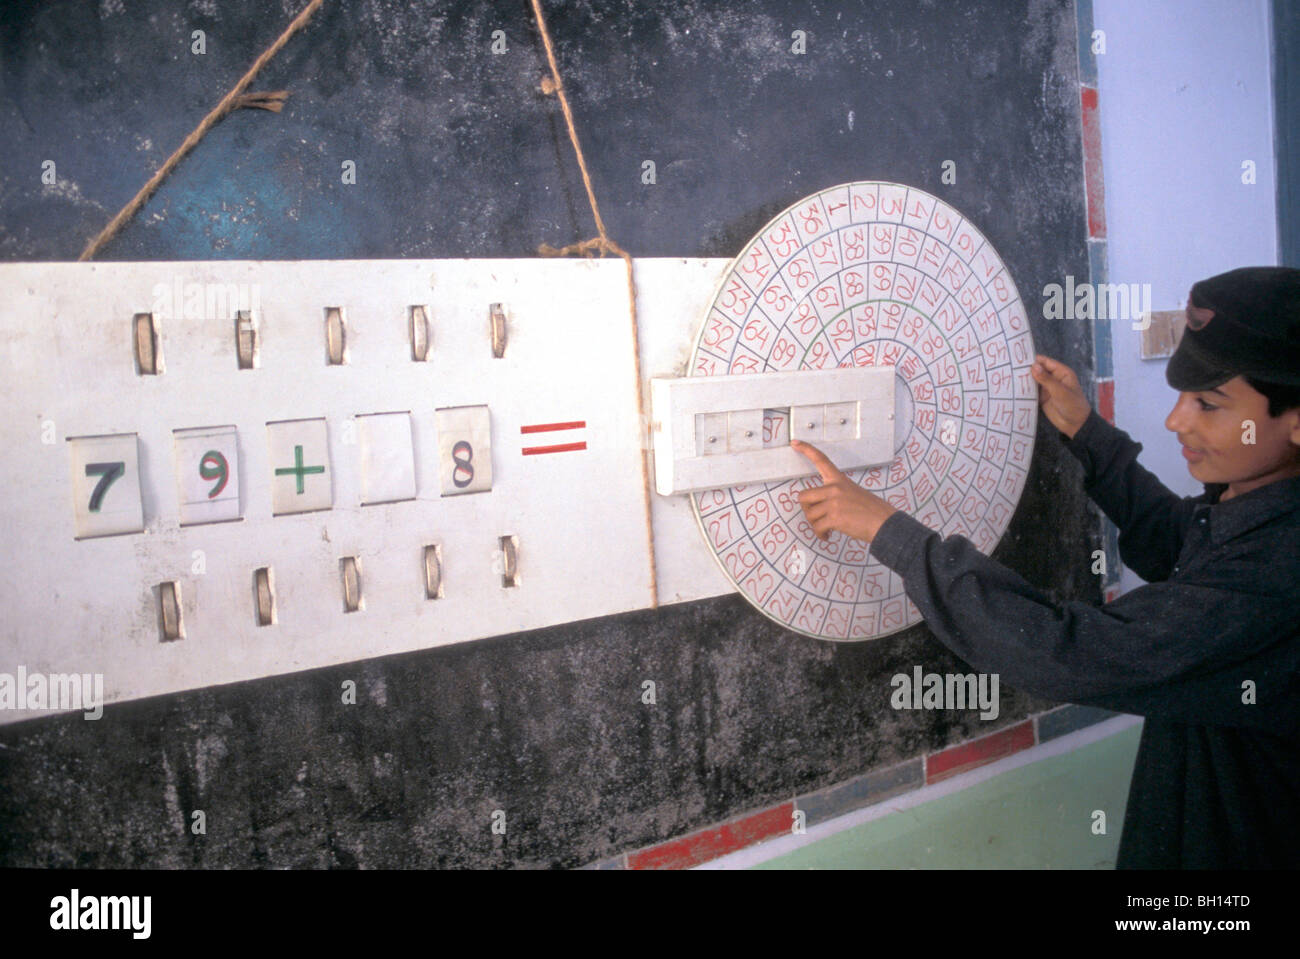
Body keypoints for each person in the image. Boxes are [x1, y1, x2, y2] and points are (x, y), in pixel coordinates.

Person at [792, 265, 1300, 869]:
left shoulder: (1278, 572)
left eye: (1209, 405)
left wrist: (890, 533)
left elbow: (1072, 651)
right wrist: (1087, 434)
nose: (1176, 421)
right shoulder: (1253, 505)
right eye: (1181, 397)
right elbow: (1178, 541)